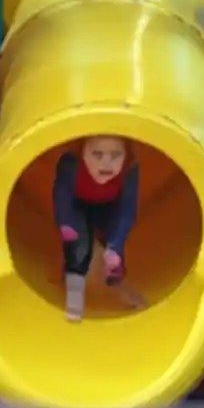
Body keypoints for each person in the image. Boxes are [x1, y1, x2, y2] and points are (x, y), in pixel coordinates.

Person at [52, 135, 145, 322]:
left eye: (116, 155)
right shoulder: (71, 165)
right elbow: (61, 196)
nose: (106, 163)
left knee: (113, 249)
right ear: (81, 152)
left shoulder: (129, 170)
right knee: (79, 246)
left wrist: (115, 246)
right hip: (78, 205)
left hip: (110, 206)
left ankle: (116, 281)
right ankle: (74, 292)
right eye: (97, 154)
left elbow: (126, 212)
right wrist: (65, 223)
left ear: (126, 155)